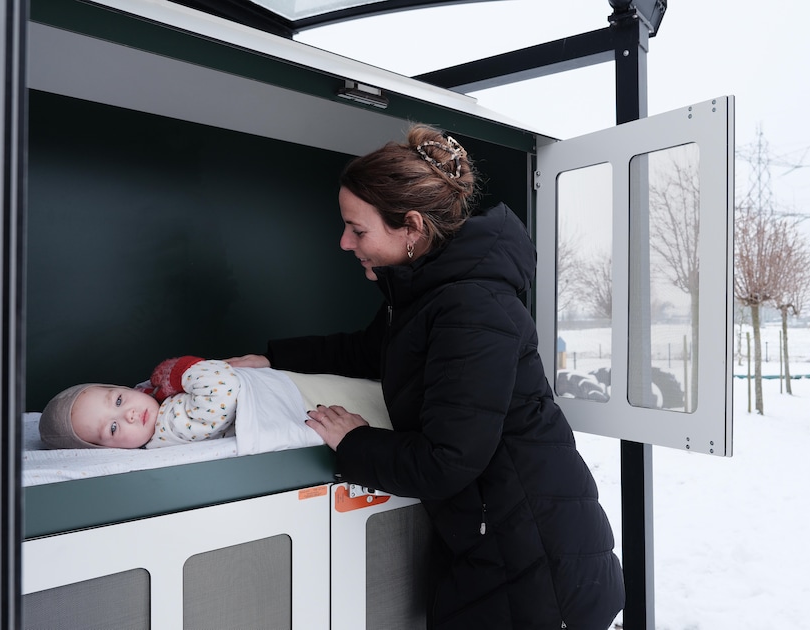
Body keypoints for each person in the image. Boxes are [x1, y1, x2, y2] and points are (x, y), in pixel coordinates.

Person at [227, 125, 625, 629]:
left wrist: (355, 442)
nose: (345, 242)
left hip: (535, 557)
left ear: (411, 227)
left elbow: (447, 461)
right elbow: (370, 351)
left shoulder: (471, 307)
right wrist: (272, 358)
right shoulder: (429, 290)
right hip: (498, 536)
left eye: (358, 229)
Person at [38, 355, 389, 449]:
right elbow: (222, 389)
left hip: (288, 384)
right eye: (113, 428)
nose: (128, 413)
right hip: (295, 397)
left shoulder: (149, 404)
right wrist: (179, 372)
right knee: (377, 403)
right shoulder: (170, 425)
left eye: (116, 399)